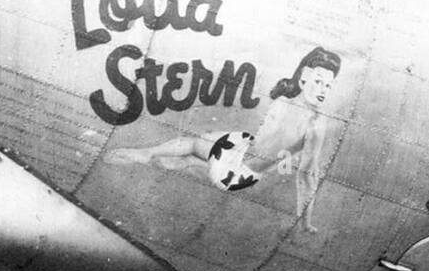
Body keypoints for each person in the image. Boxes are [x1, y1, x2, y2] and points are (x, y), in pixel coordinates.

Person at [106, 47, 341, 230]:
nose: (322, 89)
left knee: (195, 146)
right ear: (303, 79)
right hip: (243, 167)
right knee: (194, 151)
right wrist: (304, 221)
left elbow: (301, 170)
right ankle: (154, 156)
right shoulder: (314, 123)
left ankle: (151, 153)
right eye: (319, 81)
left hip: (240, 166)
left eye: (328, 85)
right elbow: (307, 175)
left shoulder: (285, 102)